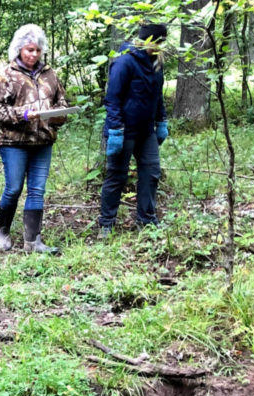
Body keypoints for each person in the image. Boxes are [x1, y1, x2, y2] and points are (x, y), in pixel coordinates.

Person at [0, 24, 69, 255]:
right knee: (14, 188)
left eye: (37, 50)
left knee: (37, 190)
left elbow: (61, 103)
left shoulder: (50, 74)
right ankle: (3, 231)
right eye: (29, 50)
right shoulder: (8, 74)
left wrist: (58, 115)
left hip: (43, 141)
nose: (33, 54)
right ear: (19, 49)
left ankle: (33, 241)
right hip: (14, 142)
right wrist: (24, 115)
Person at [97, 23, 169, 238]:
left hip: (146, 131)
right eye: (158, 42)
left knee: (151, 173)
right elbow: (112, 99)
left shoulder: (156, 63)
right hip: (124, 130)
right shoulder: (125, 61)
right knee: (116, 176)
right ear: (148, 40)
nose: (161, 46)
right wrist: (116, 129)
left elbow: (158, 97)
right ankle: (106, 224)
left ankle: (146, 220)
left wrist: (161, 121)